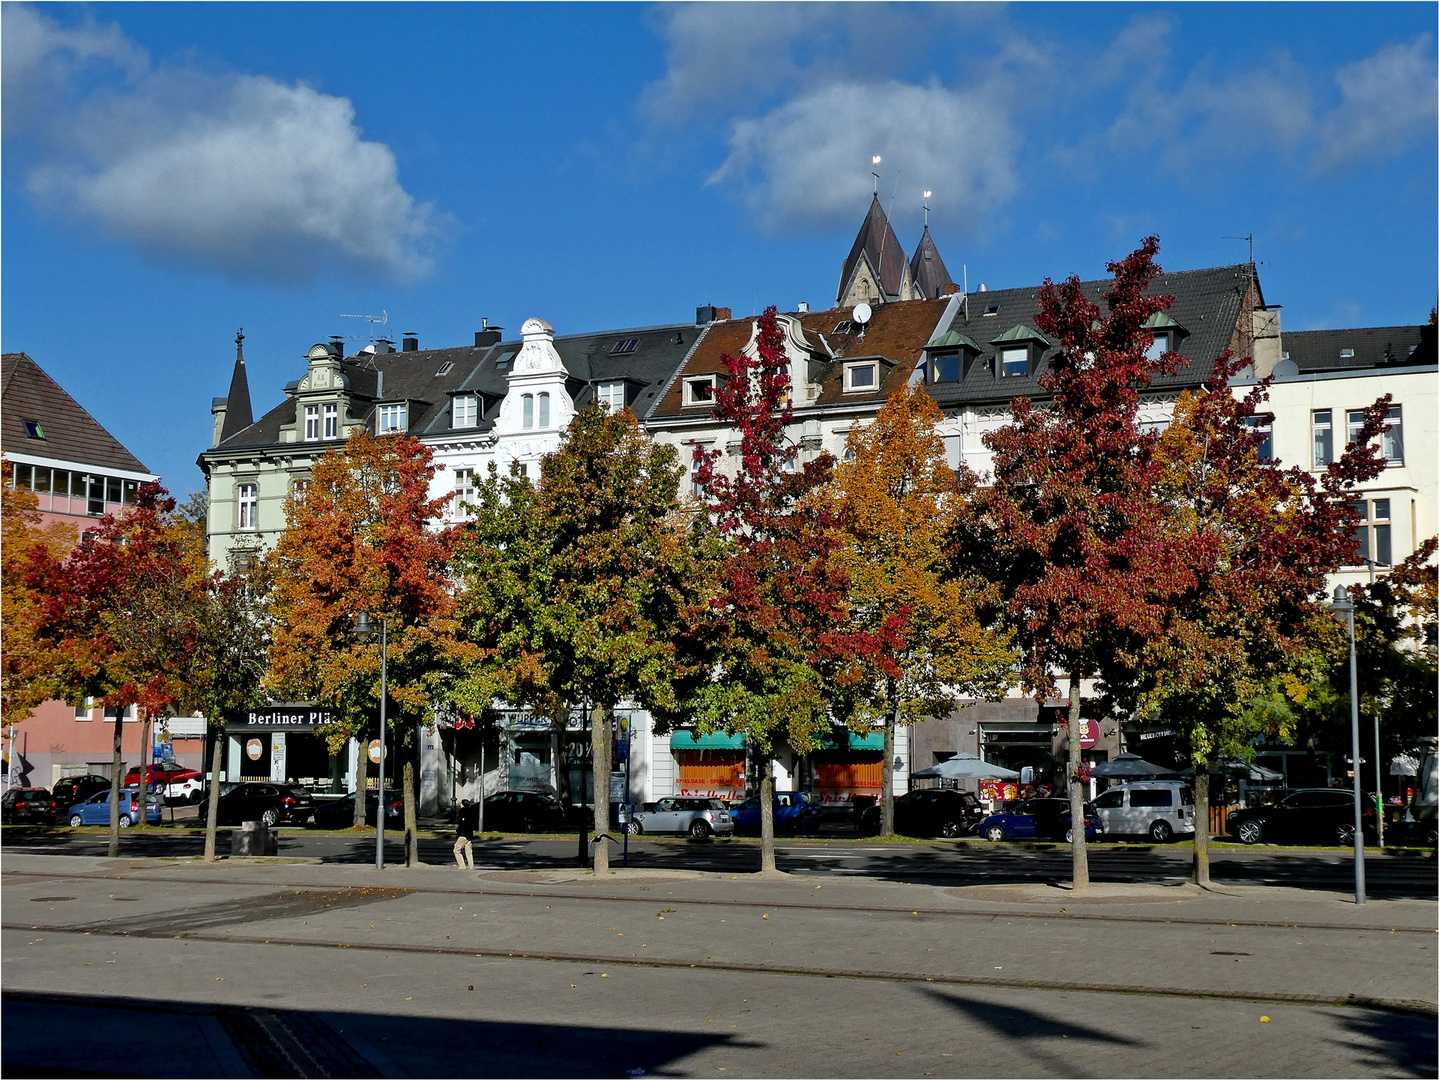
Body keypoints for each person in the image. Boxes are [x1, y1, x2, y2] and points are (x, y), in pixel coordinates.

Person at [454, 798, 477, 869]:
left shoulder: (463, 811)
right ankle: (471, 866)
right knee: (468, 851)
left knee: (456, 849)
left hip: (464, 834)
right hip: (470, 834)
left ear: (462, 804)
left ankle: (462, 866)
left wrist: (458, 831)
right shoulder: (471, 811)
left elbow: (462, 823)